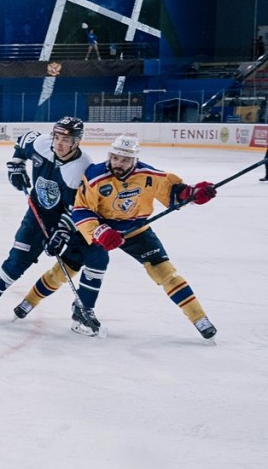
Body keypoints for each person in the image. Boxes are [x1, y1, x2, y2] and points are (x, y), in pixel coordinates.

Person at [63, 136, 218, 339]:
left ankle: (199, 318)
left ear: (134, 161)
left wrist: (193, 194)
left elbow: (176, 192)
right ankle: (83, 310)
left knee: (165, 272)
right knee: (74, 267)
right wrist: (98, 231)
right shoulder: (94, 175)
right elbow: (82, 209)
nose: (118, 163)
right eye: (115, 158)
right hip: (103, 229)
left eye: (125, 160)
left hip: (136, 228)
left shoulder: (149, 175)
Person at [0, 117, 91, 324]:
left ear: (77, 141)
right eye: (56, 137)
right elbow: (22, 142)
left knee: (75, 261)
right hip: (36, 216)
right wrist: (15, 165)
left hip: (67, 222)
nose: (59, 144)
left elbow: (77, 209)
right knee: (16, 261)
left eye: (66, 139)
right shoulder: (42, 144)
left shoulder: (83, 169)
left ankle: (32, 302)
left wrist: (61, 234)